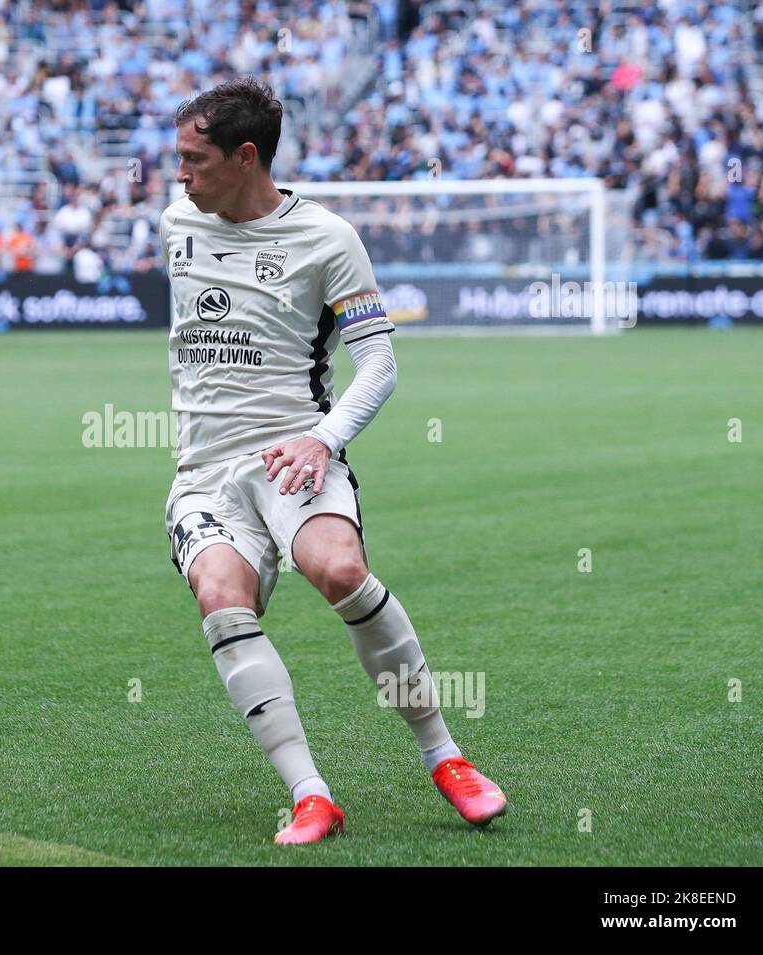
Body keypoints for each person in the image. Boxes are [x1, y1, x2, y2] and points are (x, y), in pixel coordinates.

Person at [161, 76, 506, 845]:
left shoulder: (328, 239)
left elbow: (378, 364)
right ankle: (311, 793)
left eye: (194, 158)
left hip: (295, 456)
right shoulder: (177, 223)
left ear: (246, 157)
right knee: (222, 594)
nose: (179, 175)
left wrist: (323, 438)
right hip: (204, 473)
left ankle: (445, 756)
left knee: (341, 571)